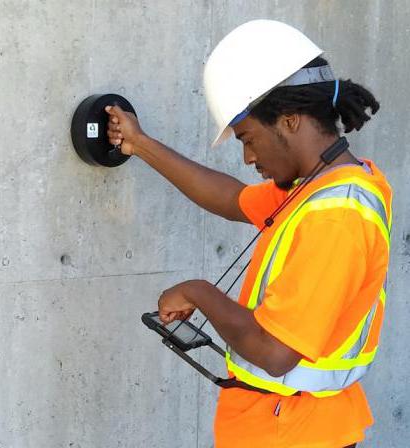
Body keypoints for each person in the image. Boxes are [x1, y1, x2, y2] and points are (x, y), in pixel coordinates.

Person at [105, 20, 391, 448]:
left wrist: (199, 291)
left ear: (290, 121)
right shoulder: (321, 187)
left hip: (295, 433)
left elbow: (274, 351)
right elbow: (232, 198)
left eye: (249, 138)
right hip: (289, 425)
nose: (248, 156)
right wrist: (139, 144)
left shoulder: (336, 216)